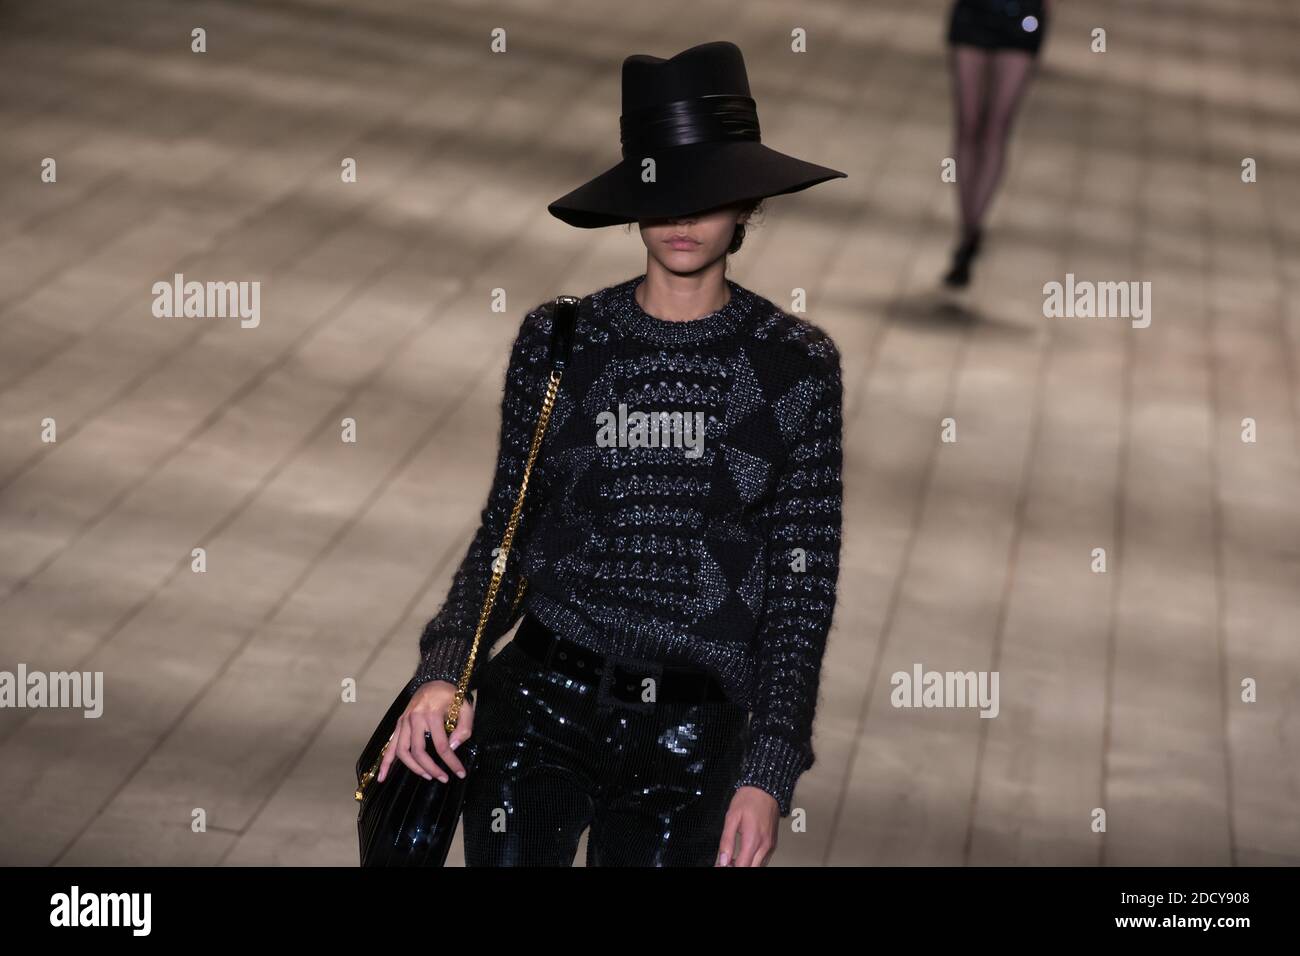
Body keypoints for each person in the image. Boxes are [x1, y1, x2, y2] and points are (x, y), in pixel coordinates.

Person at [377, 40, 846, 867]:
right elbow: (507, 528)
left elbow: (800, 589)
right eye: (664, 194)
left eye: (708, 196)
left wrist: (769, 771)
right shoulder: (565, 341)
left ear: (747, 206)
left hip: (696, 741)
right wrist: (446, 669)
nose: (683, 219)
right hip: (542, 705)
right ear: (634, 203)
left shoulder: (793, 366)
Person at [943, 0, 1052, 286]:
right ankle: (967, 227)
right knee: (968, 123)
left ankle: (972, 230)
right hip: (972, 11)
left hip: (1024, 16)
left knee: (997, 128)